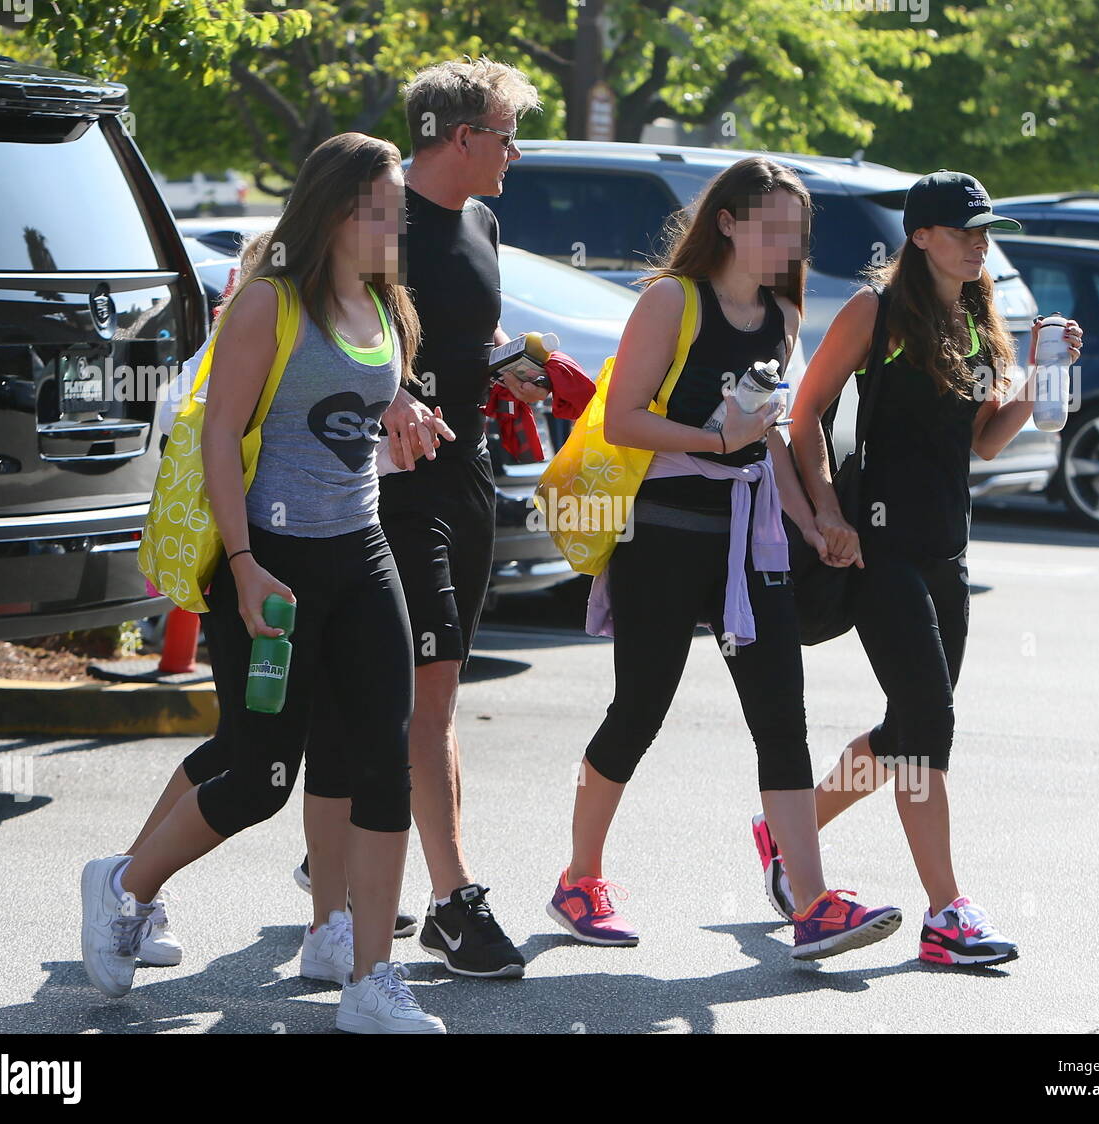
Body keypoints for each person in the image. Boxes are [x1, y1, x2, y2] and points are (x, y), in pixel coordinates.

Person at [80, 132, 446, 1033]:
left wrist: (399, 405)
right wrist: (242, 567)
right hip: (273, 564)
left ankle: (370, 979)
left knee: (383, 759)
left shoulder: (387, 306)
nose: (395, 219)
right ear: (332, 211)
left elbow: (358, 398)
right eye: (379, 206)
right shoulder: (268, 307)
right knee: (260, 777)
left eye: (397, 205)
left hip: (362, 552)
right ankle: (123, 886)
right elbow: (219, 437)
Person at [547, 157, 903, 962]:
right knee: (637, 714)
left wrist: (815, 521)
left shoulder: (781, 313)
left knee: (782, 718)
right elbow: (626, 421)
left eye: (798, 228)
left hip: (751, 541)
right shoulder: (672, 301)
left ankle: (812, 903)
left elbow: (770, 434)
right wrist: (715, 440)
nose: (788, 241)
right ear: (730, 222)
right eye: (773, 223)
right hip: (662, 534)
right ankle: (579, 878)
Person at [765, 169, 1084, 966]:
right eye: (966, 229)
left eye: (985, 230)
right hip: (879, 550)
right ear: (921, 237)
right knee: (931, 723)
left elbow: (984, 440)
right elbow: (803, 416)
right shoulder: (875, 313)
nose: (981, 242)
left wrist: (1049, 376)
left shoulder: (977, 320)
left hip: (947, 550)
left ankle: (786, 828)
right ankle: (947, 913)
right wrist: (829, 513)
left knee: (912, 724)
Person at [291, 58, 547, 980]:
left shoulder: (481, 219)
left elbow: (462, 331)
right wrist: (393, 393)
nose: (515, 151)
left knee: (424, 695)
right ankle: (452, 900)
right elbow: (317, 324)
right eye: (506, 133)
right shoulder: (378, 221)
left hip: (467, 475)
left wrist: (510, 363)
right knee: (427, 694)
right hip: (389, 485)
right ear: (462, 136)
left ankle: (353, 857)